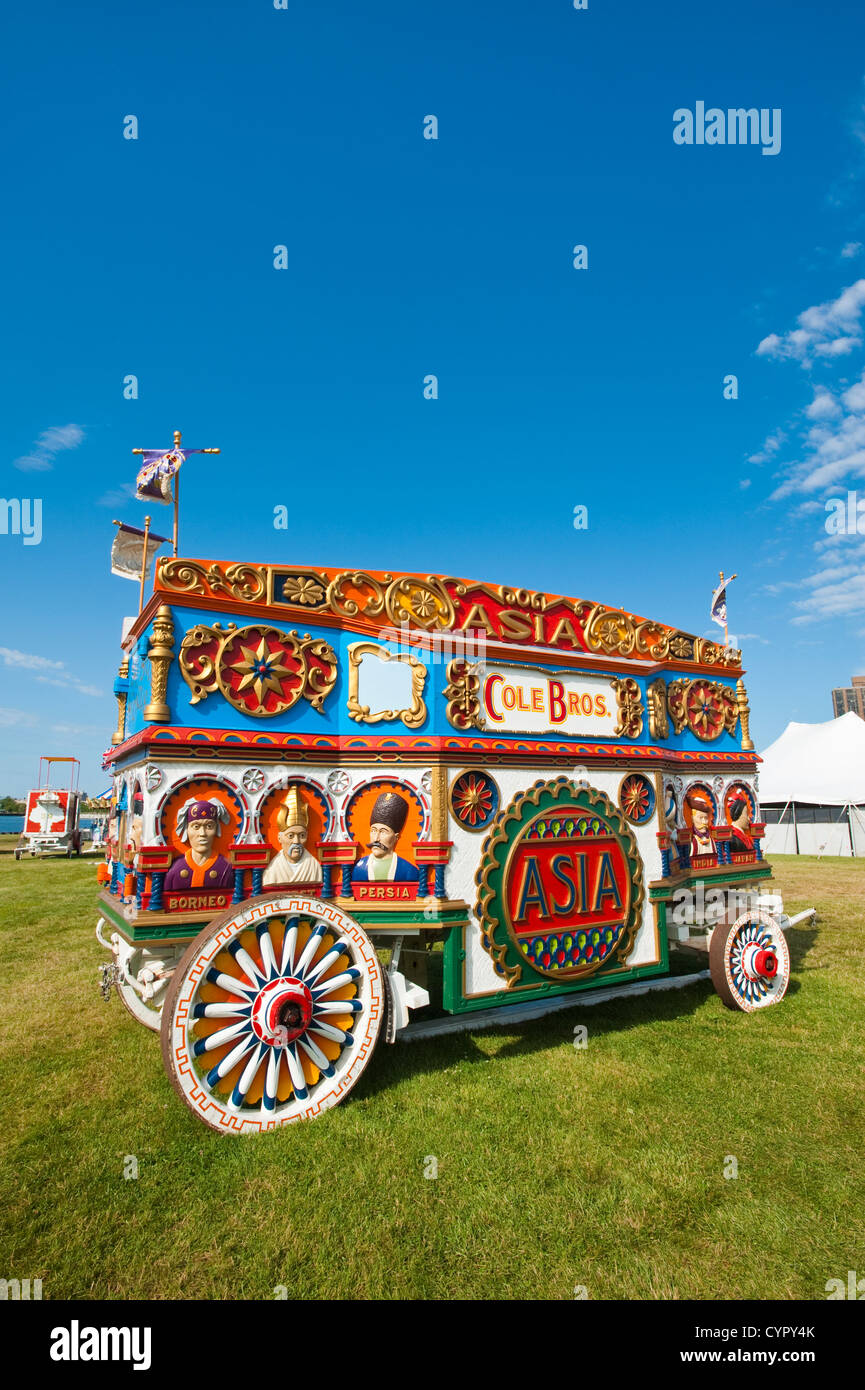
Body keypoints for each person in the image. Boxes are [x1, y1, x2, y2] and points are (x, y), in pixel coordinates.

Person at [164, 797, 234, 891]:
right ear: (186, 829)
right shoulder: (175, 869)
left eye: (209, 826)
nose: (202, 833)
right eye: (196, 827)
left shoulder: (225, 868)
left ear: (216, 829)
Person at [352, 791, 419, 883]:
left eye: (383, 832)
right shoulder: (356, 869)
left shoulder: (409, 871)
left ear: (396, 837)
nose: (376, 839)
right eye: (373, 830)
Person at [263, 787, 322, 886]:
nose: (296, 841)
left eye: (302, 835)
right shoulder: (272, 870)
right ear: (279, 838)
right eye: (290, 836)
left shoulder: (314, 867)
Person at [686, 790, 715, 859]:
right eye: (700, 818)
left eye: (706, 818)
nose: (704, 822)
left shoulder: (712, 841)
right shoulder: (691, 843)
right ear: (692, 819)